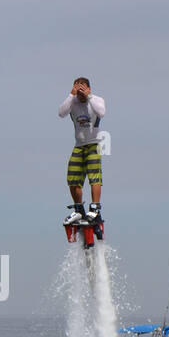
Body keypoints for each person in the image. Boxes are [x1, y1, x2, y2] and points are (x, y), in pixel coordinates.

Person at [59, 77, 106, 233]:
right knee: (72, 179)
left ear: (88, 88)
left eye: (82, 88)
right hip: (79, 146)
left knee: (94, 176)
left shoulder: (96, 100)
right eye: (77, 88)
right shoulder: (73, 102)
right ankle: (79, 209)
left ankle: (95, 209)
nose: (80, 92)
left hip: (93, 144)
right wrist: (71, 95)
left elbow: (102, 112)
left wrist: (89, 96)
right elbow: (61, 113)